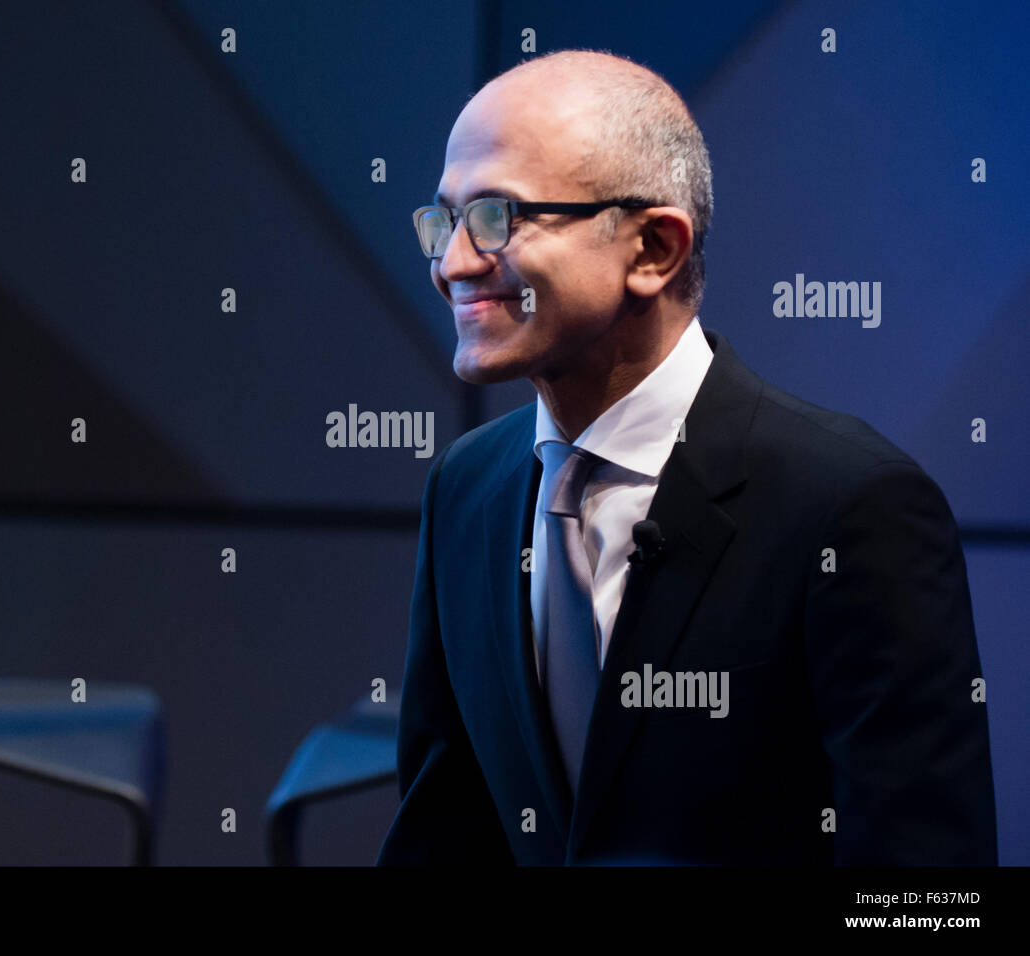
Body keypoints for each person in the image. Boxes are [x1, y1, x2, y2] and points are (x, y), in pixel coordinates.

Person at [376, 49, 997, 865]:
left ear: (653, 250)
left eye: (497, 217)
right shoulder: (467, 487)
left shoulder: (850, 505)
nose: (452, 262)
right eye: (443, 221)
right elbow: (443, 833)